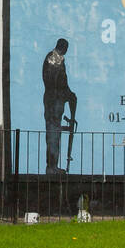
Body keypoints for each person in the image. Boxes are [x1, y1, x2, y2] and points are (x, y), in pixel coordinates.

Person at [42, 38, 76, 174]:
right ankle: (51, 167)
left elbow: (60, 80)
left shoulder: (56, 58)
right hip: (53, 100)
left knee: (54, 133)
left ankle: (53, 166)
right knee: (53, 134)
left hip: (55, 99)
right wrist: (68, 93)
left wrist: (68, 93)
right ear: (63, 47)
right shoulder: (55, 57)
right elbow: (56, 80)